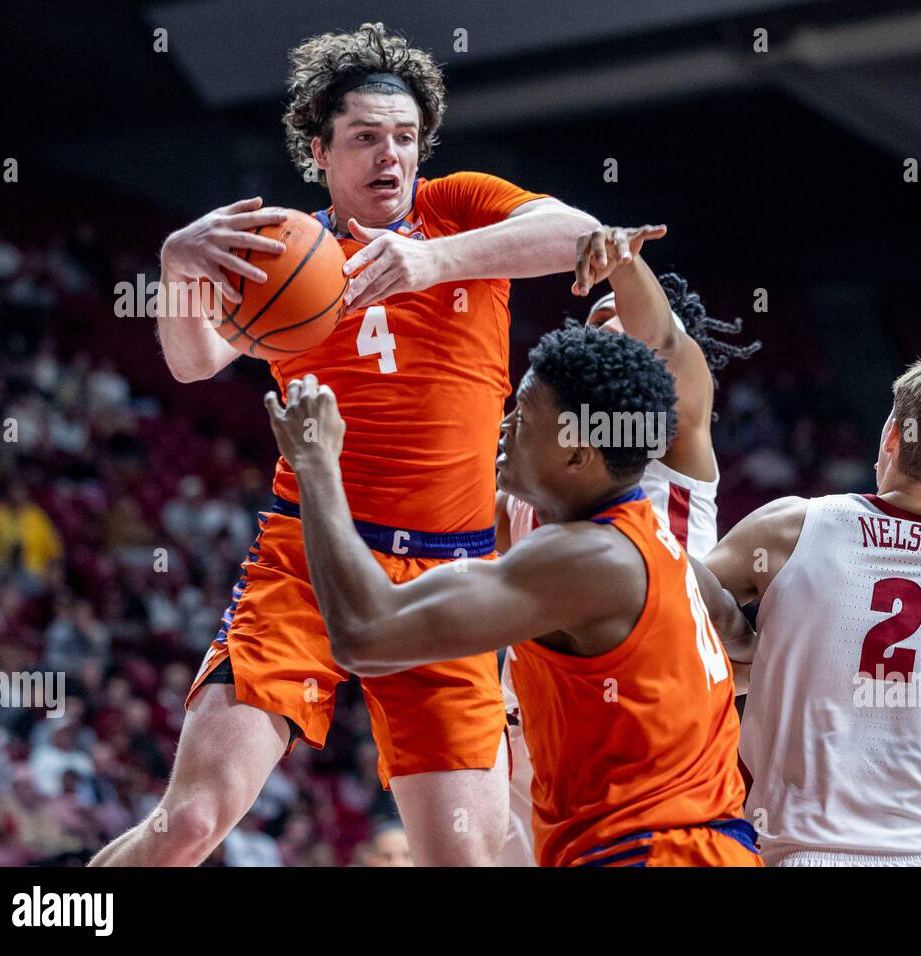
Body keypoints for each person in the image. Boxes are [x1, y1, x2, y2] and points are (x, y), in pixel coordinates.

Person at [92, 22, 599, 868]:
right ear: (318, 152)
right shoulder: (286, 252)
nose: (389, 157)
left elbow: (582, 234)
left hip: (453, 575)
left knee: (467, 858)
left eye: (404, 138)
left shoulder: (460, 209)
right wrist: (178, 265)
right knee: (186, 825)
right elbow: (193, 362)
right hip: (311, 561)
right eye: (364, 138)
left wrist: (434, 264)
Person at [265, 326, 761, 867]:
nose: (505, 426)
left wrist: (316, 468)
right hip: (699, 847)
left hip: (652, 852)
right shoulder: (669, 554)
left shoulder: (585, 562)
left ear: (577, 456)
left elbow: (365, 634)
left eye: (524, 418)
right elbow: (749, 652)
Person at [705, 352, 921, 866]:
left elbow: (671, 623)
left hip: (804, 852)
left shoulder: (788, 527)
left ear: (892, 434)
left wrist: (767, 665)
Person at [493, 223, 759, 863]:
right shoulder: (526, 477)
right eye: (592, 323)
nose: (602, 338)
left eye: (617, 319)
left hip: (648, 723)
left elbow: (661, 340)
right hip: (532, 729)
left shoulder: (671, 430)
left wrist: (623, 265)